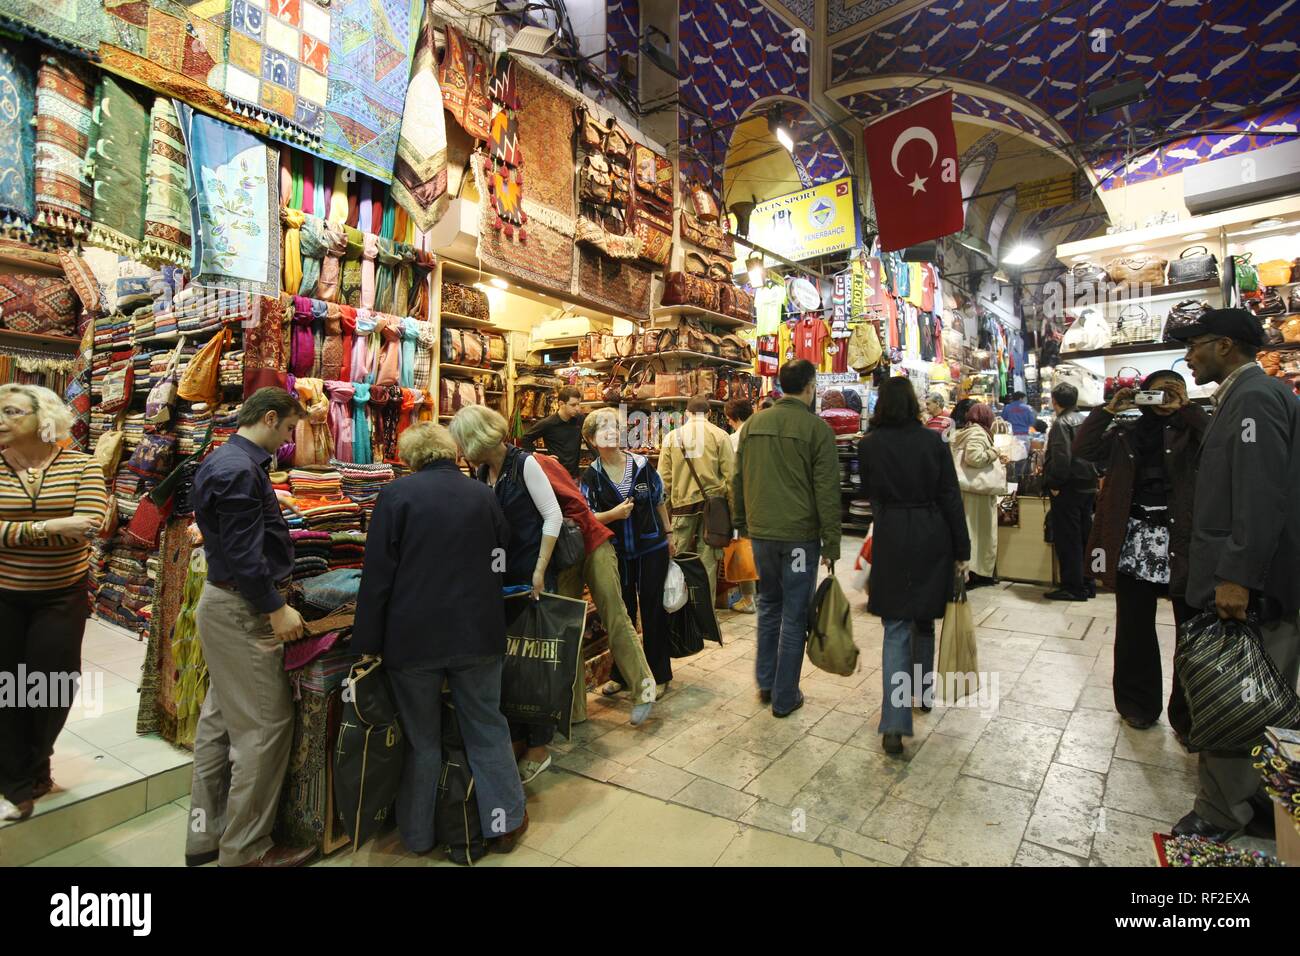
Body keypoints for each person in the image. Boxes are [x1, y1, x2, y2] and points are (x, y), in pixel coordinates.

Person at [351, 423, 527, 862]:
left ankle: (418, 836)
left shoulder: (396, 496)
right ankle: (502, 824)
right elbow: (502, 551)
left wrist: (367, 642)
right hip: (477, 634)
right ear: (452, 451)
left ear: (412, 456)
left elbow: (378, 577)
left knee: (422, 739)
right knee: (487, 727)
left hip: (414, 640)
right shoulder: (482, 495)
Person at [1167, 308, 1300, 842]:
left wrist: (1237, 576)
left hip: (1255, 586)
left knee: (1234, 695)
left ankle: (1222, 813)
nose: (1188, 356)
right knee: (1261, 696)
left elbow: (1259, 493)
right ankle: (1267, 805)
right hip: (1257, 580)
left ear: (1225, 346)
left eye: (1195, 345)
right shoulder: (1248, 398)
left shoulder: (1253, 399)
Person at [186, 387, 315, 867]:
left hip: (226, 605)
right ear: (267, 417)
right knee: (264, 727)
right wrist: (273, 608)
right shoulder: (239, 469)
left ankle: (205, 838)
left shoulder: (229, 460)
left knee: (220, 724)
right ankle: (245, 851)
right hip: (241, 610)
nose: (287, 441)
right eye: (286, 429)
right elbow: (243, 552)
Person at [1073, 371, 1208, 734]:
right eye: (1156, 393)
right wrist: (1108, 410)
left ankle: (1189, 714)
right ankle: (1137, 704)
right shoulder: (1127, 429)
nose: (1163, 399)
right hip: (1135, 538)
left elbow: (1223, 449)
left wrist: (1188, 409)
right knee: (1134, 626)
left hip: (1184, 539)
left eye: (1172, 391)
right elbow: (1083, 451)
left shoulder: (1195, 427)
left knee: (1192, 630)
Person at [0, 384, 106, 822]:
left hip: (62, 595)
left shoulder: (82, 465)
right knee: (7, 684)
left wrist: (14, 532)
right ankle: (17, 779)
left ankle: (38, 756)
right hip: (4, 594)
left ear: (42, 418)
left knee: (53, 683)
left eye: (10, 411)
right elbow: (69, 526)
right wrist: (49, 528)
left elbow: (91, 522)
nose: (1, 419)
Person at [449, 405, 564, 784]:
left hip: (531, 572)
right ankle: (517, 735)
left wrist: (540, 569)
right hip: (502, 576)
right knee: (512, 658)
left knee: (537, 660)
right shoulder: (483, 471)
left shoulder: (525, 463)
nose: (462, 451)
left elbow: (553, 515)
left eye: (465, 443)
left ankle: (539, 745)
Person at [858, 378, 970, 755]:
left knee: (895, 627)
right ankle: (922, 692)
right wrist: (962, 548)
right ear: (912, 403)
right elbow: (950, 496)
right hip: (930, 532)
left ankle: (893, 721)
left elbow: (869, 493)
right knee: (923, 618)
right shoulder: (931, 442)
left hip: (891, 534)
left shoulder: (869, 445)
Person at [732, 360, 841, 718]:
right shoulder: (817, 429)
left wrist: (742, 523)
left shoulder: (753, 425)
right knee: (795, 614)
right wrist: (832, 543)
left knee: (769, 606)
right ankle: (785, 695)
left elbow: (738, 479)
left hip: (762, 534)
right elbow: (826, 491)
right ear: (810, 387)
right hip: (799, 539)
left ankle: (766, 683)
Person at [531, 450, 657, 722]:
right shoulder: (495, 475)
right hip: (561, 556)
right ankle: (574, 712)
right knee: (568, 630)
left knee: (615, 615)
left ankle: (644, 690)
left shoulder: (536, 463)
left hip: (589, 543)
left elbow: (578, 509)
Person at [580, 408, 675, 702]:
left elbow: (658, 500)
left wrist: (669, 534)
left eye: (615, 427)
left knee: (653, 610)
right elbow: (588, 517)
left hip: (651, 548)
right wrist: (614, 514)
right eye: (603, 429)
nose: (611, 432)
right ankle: (622, 674)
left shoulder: (643, 465)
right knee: (622, 615)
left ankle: (658, 675)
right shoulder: (591, 476)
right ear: (591, 439)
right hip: (616, 552)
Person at [658, 395, 734, 621]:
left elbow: (664, 479)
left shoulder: (672, 437)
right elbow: (731, 477)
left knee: (678, 558)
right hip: (714, 508)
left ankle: (678, 611)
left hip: (682, 508)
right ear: (709, 413)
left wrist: (666, 512)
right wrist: (733, 511)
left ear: (687, 414)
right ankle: (704, 615)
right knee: (708, 562)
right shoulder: (721, 436)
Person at [1043, 382, 1099, 601]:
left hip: (1068, 487)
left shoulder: (1062, 423)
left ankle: (1073, 587)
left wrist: (1055, 483)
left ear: (1055, 401)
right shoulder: (1085, 421)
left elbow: (1062, 457)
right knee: (1085, 536)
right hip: (1087, 485)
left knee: (1069, 538)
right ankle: (1088, 583)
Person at [950, 403, 1008, 589]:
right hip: (977, 492)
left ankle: (972, 572)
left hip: (968, 491)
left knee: (971, 532)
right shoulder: (977, 432)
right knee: (978, 533)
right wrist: (995, 452)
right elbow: (974, 458)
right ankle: (974, 573)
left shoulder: (966, 431)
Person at [724, 398, 757, 614]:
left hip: (743, 500)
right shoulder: (762, 433)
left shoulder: (733, 439)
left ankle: (748, 598)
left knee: (743, 547)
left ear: (732, 419)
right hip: (763, 499)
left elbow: (731, 475)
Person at [521, 385, 585, 478]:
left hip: (575, 476)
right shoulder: (548, 423)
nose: (577, 408)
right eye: (573, 405)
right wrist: (539, 457)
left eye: (578, 404)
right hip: (556, 476)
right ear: (561, 404)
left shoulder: (579, 419)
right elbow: (525, 439)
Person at [1000, 390, 1036, 480]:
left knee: (1010, 460)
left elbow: (1002, 421)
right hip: (1023, 436)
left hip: (1010, 437)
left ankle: (1011, 481)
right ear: (1021, 398)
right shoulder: (1027, 408)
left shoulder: (1007, 407)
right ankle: (1022, 482)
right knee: (1023, 460)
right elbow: (1032, 422)